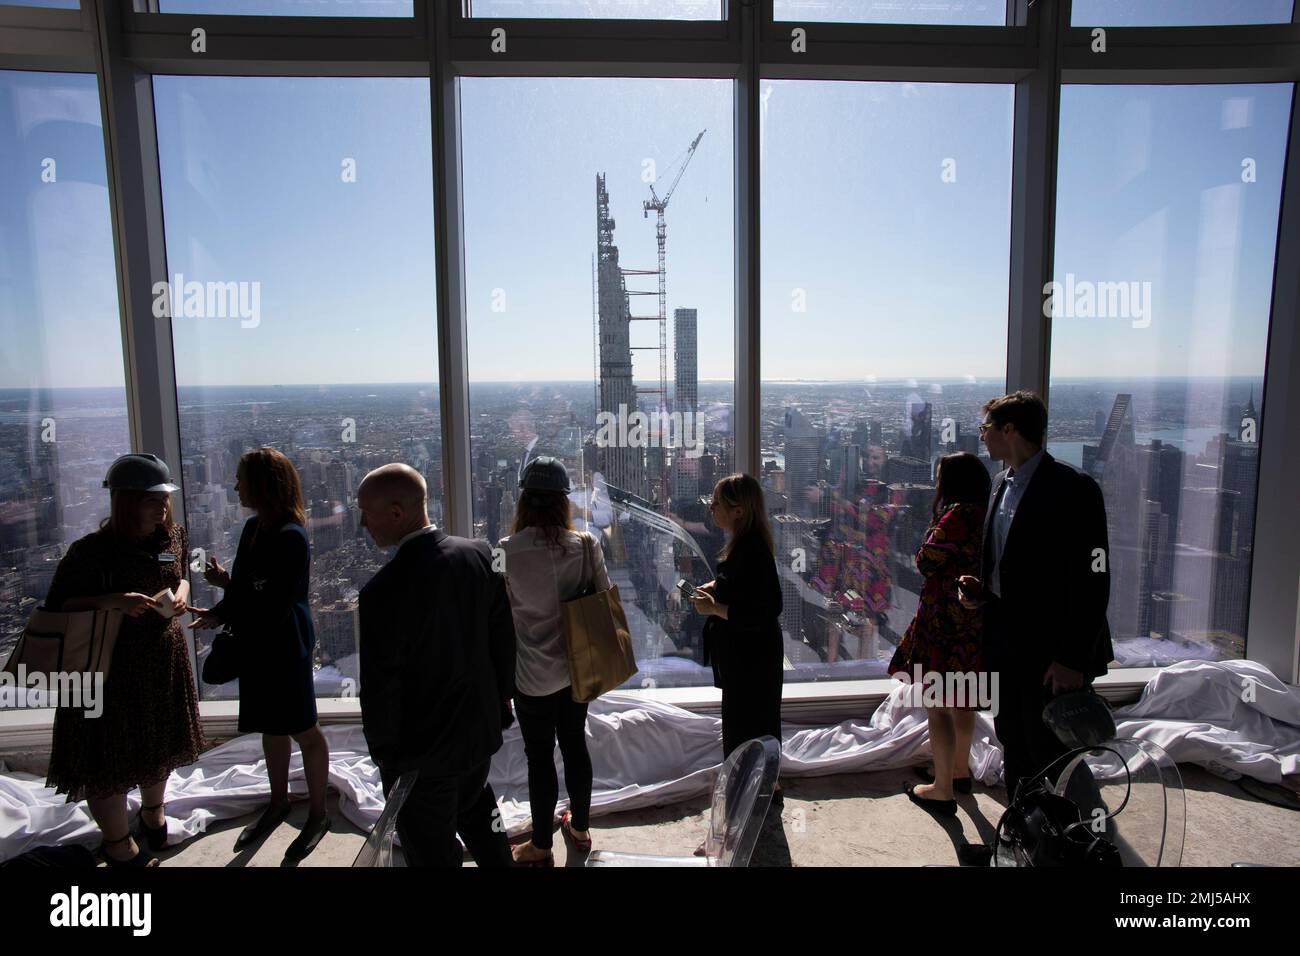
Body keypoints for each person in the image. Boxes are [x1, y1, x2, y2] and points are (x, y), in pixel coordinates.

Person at [42, 453, 204, 867]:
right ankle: (117, 844)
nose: (162, 506)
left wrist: (183, 591)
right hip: (106, 670)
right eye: (152, 499)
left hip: (160, 661)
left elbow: (180, 573)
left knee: (159, 744)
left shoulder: (173, 538)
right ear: (125, 501)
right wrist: (114, 601)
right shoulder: (91, 553)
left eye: (164, 498)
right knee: (106, 758)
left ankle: (153, 813)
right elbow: (58, 606)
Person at [958, 391, 1114, 805]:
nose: (983, 437)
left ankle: (1064, 843)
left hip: (1051, 653)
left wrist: (1072, 659)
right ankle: (1022, 837)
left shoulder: (1075, 489)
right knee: (1013, 739)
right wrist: (983, 592)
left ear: (1010, 430)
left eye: (986, 428)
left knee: (1050, 749)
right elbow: (1010, 564)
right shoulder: (998, 485)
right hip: (1006, 642)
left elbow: (1094, 580)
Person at [355, 463, 515, 868]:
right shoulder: (480, 555)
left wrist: (386, 759)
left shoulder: (382, 592)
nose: (361, 523)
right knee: (480, 817)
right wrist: (499, 710)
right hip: (478, 736)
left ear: (396, 513)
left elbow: (381, 688)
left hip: (420, 758)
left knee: (431, 851)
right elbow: (503, 644)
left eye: (367, 512)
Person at [191, 447, 331, 861]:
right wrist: (222, 597)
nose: (235, 486)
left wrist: (226, 605)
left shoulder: (291, 535)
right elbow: (252, 589)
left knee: (304, 728)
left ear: (263, 484)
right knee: (272, 726)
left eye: (241, 478)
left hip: (284, 644)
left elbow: (274, 601)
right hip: (260, 640)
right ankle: (278, 802)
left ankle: (318, 815)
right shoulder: (253, 528)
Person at [497, 457, 603, 866]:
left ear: (524, 502)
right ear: (563, 503)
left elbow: (497, 616)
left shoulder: (503, 552)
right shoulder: (586, 546)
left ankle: (540, 846)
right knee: (575, 744)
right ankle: (579, 828)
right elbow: (604, 598)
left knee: (538, 756)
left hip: (531, 677)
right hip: (577, 670)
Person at [889, 452, 991, 816]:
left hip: (945, 624)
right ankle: (960, 771)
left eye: (940, 477)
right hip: (974, 623)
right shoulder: (990, 513)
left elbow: (926, 560)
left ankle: (942, 788)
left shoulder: (958, 514)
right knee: (964, 703)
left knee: (938, 707)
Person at [691, 473, 784, 763]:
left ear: (738, 511)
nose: (711, 508)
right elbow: (746, 589)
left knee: (750, 724)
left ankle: (759, 791)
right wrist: (716, 587)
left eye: (717, 503)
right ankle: (757, 788)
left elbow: (767, 608)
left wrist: (714, 607)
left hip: (752, 659)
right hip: (747, 657)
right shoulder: (746, 545)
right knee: (749, 722)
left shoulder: (751, 549)